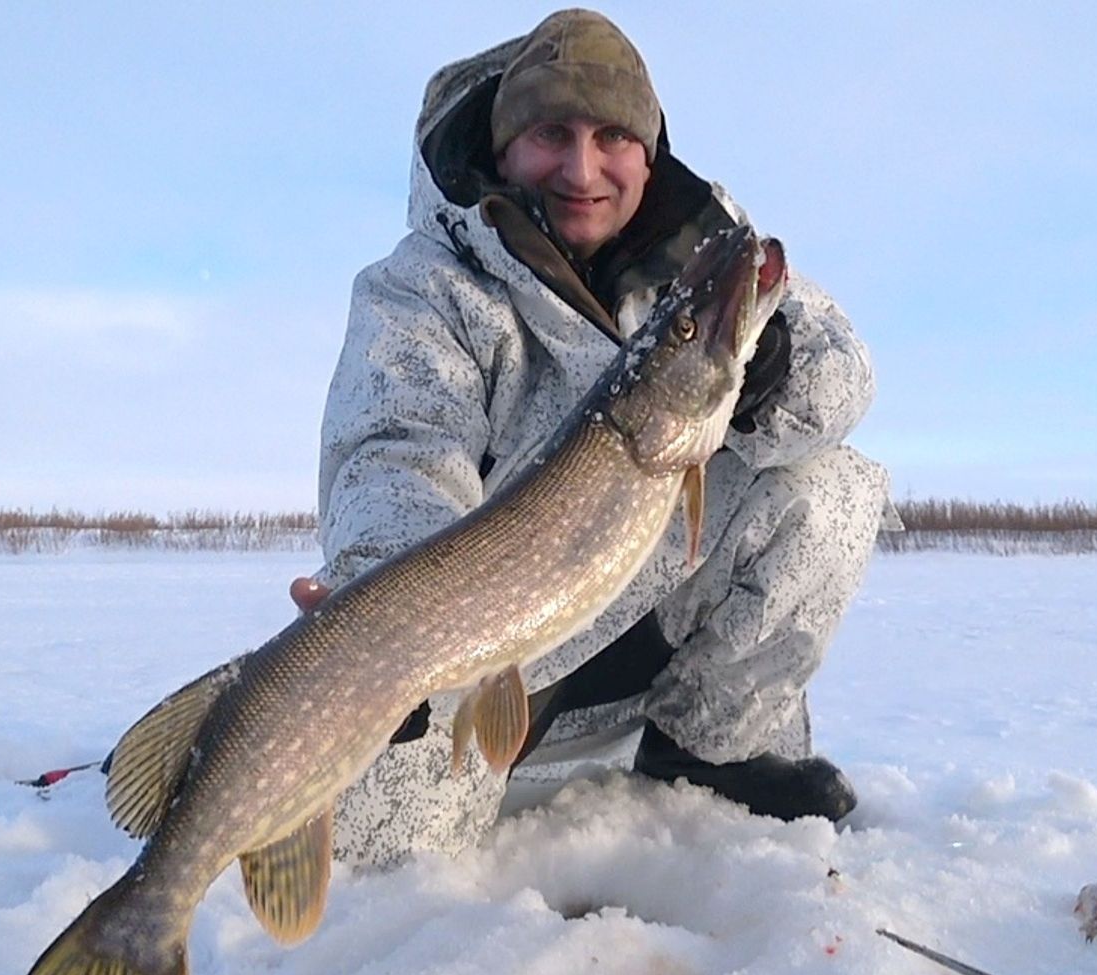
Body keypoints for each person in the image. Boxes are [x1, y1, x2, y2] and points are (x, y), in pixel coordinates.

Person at [304, 9, 889, 868]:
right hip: (479, 649)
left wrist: (777, 372)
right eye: (551, 134)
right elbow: (395, 450)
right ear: (505, 148)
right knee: (377, 851)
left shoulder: (709, 252)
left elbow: (846, 373)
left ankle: (707, 739)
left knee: (828, 487)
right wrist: (388, 614)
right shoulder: (424, 289)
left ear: (647, 154)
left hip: (639, 616)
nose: (583, 169)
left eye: (614, 136)